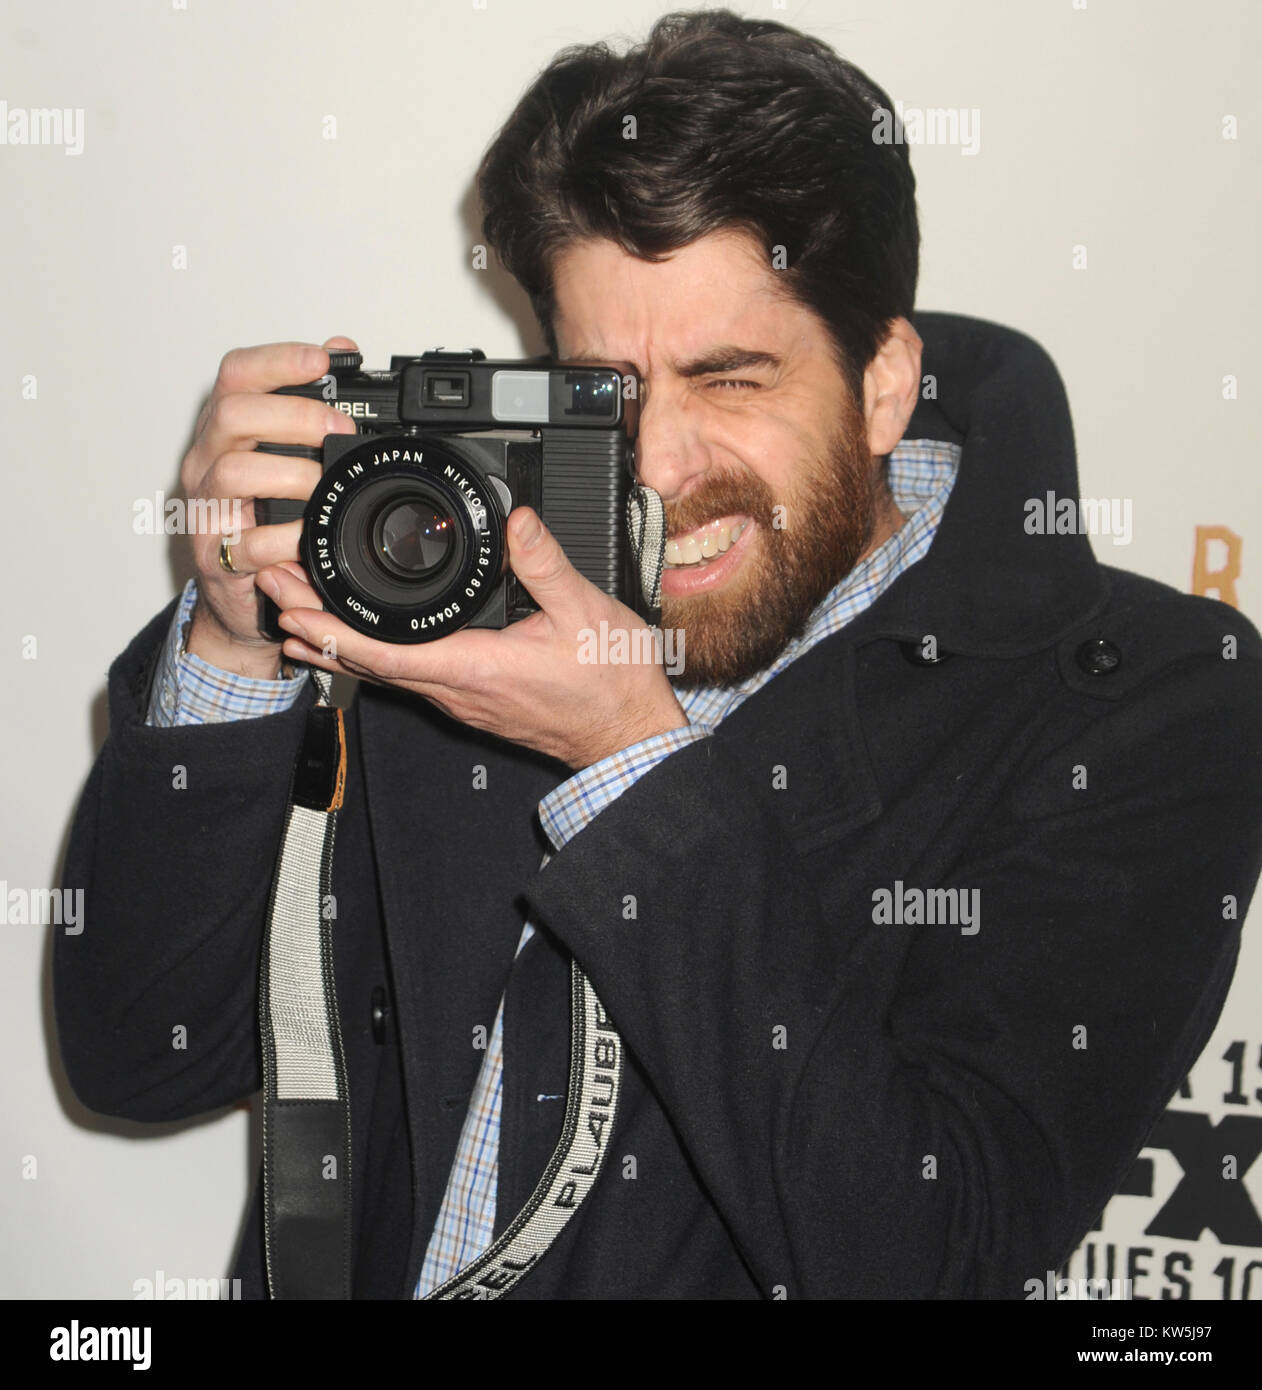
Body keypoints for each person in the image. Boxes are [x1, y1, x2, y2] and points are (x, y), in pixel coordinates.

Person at [55, 10, 1262, 1299]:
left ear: (882, 383)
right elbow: (145, 1055)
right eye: (606, 389)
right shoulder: (471, 583)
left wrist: (629, 763)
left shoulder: (1148, 697)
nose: (661, 469)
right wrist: (234, 651)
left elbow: (932, 1255)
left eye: (732, 379)